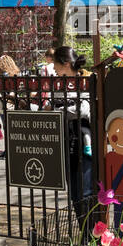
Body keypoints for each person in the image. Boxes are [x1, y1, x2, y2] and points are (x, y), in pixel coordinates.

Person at [49, 45, 95, 229]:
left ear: (66, 64)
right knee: (74, 194)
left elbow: (84, 110)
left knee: (85, 192)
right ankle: (85, 236)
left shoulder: (85, 80)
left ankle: (91, 236)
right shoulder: (59, 84)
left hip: (84, 143)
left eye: (55, 64)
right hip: (66, 143)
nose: (53, 68)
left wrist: (59, 110)